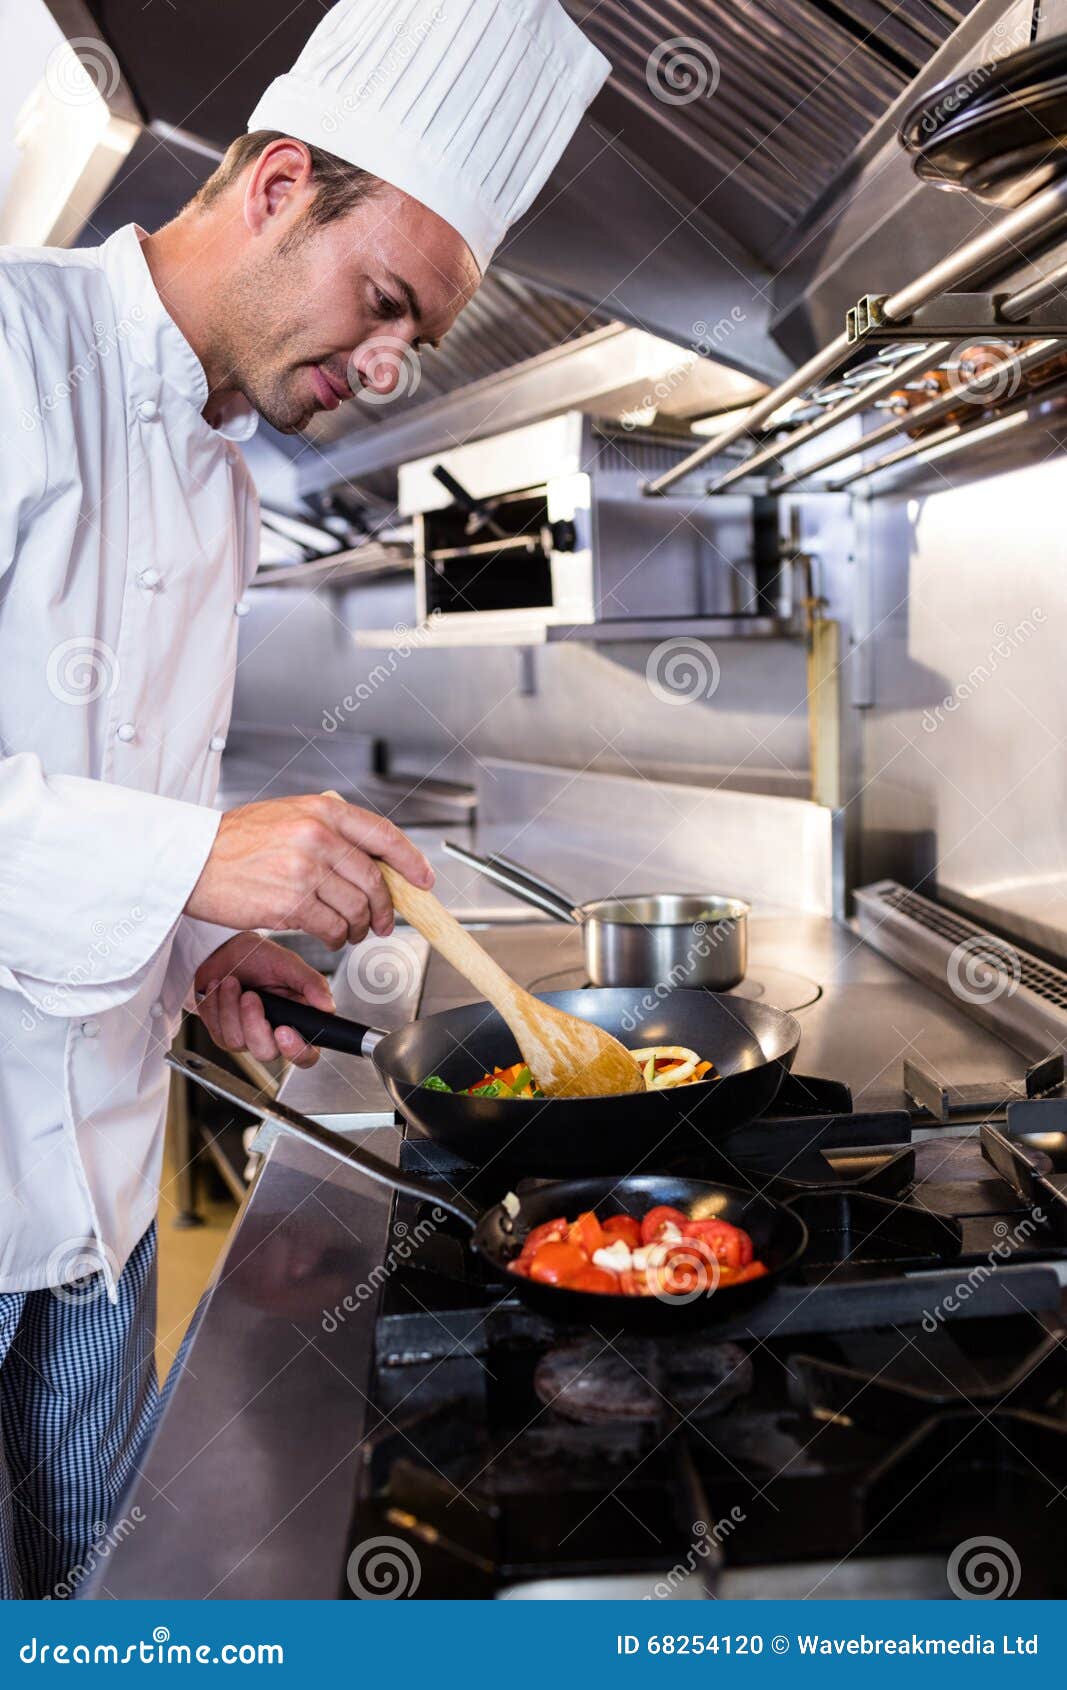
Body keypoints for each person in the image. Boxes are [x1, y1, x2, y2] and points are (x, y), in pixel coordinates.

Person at [0, 0, 608, 1598]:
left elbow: (104, 791)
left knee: (94, 1609)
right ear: (278, 185)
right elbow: (145, 830)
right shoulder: (8, 354)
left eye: (420, 339)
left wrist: (202, 935)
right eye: (387, 302)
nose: (389, 363)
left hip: (108, 1205)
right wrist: (197, 859)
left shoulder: (226, 485)